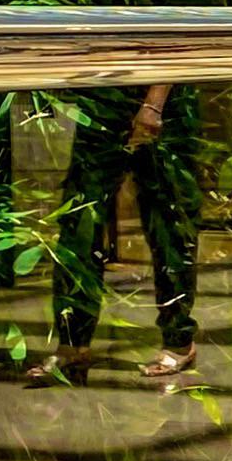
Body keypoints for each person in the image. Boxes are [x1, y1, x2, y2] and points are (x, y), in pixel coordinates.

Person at [41, 80, 205, 381]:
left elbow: (174, 49)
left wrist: (154, 102)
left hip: (166, 104)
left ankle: (179, 341)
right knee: (80, 221)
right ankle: (72, 343)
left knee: (169, 224)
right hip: (106, 100)